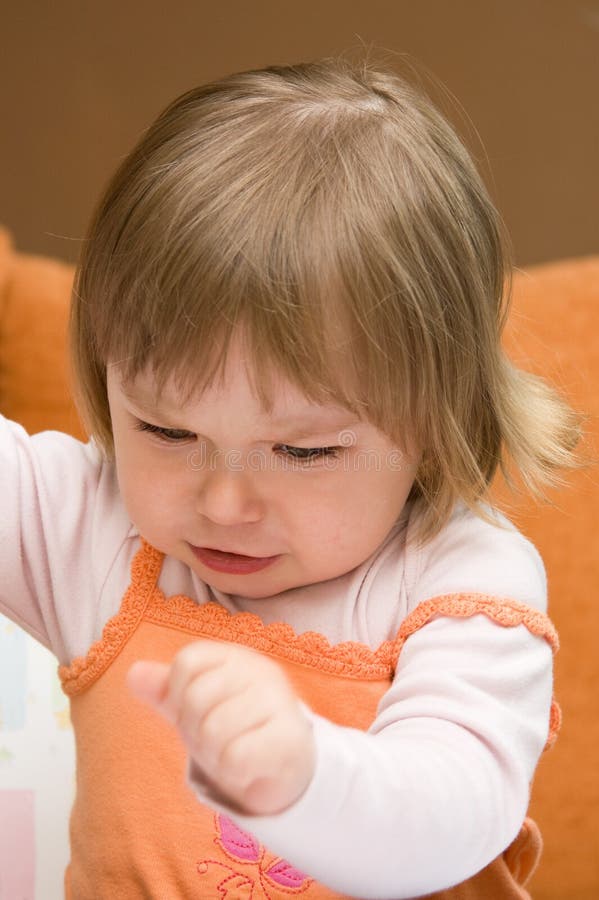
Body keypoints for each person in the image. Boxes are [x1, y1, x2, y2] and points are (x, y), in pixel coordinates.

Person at [0, 56, 582, 899]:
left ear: (435, 419)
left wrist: (303, 775)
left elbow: (455, 811)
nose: (224, 504)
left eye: (303, 452)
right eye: (166, 430)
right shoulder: (96, 522)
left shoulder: (460, 581)